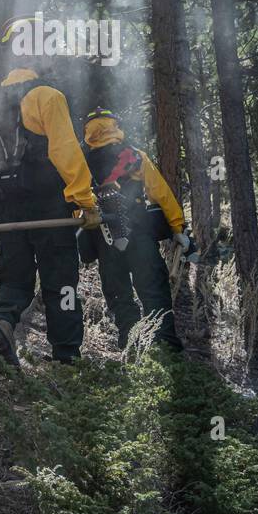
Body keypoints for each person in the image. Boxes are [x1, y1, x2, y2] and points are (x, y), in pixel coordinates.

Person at [0, 58, 100, 366]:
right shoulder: (48, 96)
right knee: (60, 279)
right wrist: (85, 202)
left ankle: (2, 321)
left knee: (13, 275)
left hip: (0, 204)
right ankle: (66, 357)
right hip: (47, 203)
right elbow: (65, 152)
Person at [79, 106, 191, 351]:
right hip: (139, 232)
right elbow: (161, 193)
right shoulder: (135, 155)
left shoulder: (79, 163)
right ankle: (165, 345)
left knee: (118, 293)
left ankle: (129, 344)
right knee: (153, 288)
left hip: (103, 237)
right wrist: (178, 227)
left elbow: (74, 201)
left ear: (87, 130)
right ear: (115, 126)